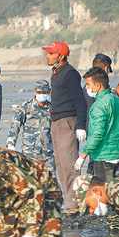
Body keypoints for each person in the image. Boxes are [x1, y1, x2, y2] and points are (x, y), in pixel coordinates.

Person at [74, 67, 119, 231]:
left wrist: (82, 155)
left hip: (103, 156)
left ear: (98, 86)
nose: (87, 88)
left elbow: (96, 135)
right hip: (116, 154)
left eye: (88, 85)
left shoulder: (98, 106)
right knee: (112, 191)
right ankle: (115, 225)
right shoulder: (115, 100)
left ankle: (115, 230)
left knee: (105, 194)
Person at [43, 41, 88, 212]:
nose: (47, 56)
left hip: (68, 122)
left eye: (51, 53)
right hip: (56, 123)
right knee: (61, 166)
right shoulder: (56, 72)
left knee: (70, 165)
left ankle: (76, 204)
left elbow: (80, 102)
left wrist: (81, 126)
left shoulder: (69, 74)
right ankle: (69, 203)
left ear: (60, 56)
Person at [7, 80, 56, 172]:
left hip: (47, 152)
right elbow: (15, 125)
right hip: (30, 152)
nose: (42, 94)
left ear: (49, 91)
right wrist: (11, 143)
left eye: (44, 92)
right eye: (39, 92)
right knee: (30, 181)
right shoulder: (26, 107)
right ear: (34, 91)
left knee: (51, 181)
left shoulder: (52, 108)